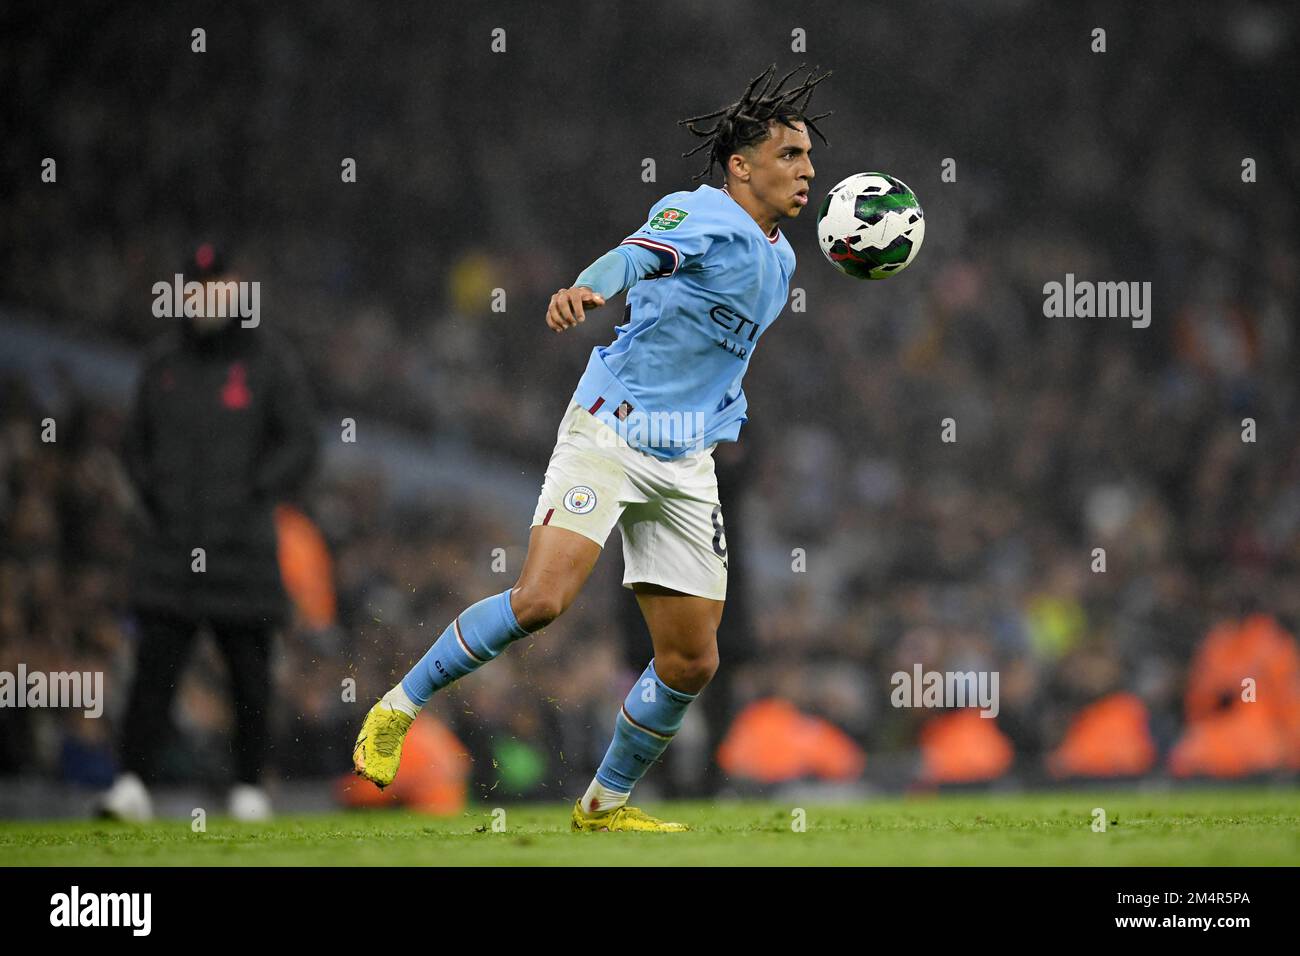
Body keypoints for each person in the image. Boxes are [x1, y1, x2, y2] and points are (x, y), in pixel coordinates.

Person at [353, 65, 830, 831]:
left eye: (809, 158)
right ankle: (395, 707)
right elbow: (633, 256)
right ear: (741, 166)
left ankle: (603, 804)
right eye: (791, 156)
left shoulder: (782, 261)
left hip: (685, 459)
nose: (808, 171)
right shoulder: (697, 213)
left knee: (692, 662)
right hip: (610, 430)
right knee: (541, 600)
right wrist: (586, 287)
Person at [100, 243, 319, 821]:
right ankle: (131, 786)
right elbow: (133, 444)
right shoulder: (163, 363)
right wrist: (157, 501)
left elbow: (301, 441)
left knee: (249, 673)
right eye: (195, 287)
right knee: (153, 673)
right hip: (171, 547)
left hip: (241, 549)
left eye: (216, 285)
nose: (206, 298)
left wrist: (253, 491)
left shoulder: (267, 360)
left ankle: (248, 787)